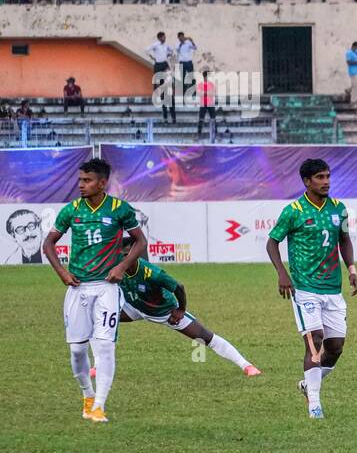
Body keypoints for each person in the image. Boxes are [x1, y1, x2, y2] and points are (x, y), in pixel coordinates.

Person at [41, 157, 146, 424]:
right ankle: (87, 396)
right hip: (78, 288)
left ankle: (99, 406)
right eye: (80, 180)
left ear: (103, 182)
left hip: (107, 287)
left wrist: (122, 267)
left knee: (104, 345)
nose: (81, 185)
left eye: (87, 181)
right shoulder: (71, 210)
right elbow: (49, 244)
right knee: (77, 350)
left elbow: (140, 242)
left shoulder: (120, 209)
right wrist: (62, 272)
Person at [265, 159, 357, 419]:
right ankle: (315, 406)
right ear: (307, 181)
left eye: (328, 176)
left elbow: (344, 239)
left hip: (333, 289)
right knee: (314, 340)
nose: (326, 181)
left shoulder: (339, 209)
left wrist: (351, 269)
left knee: (336, 347)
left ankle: (309, 385)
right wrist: (282, 273)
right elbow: (272, 242)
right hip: (304, 287)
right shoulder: (293, 211)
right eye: (320, 177)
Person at [118, 255, 259, 375]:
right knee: (102, 321)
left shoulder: (153, 273)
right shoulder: (114, 265)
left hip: (166, 312)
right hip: (135, 308)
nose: (120, 257)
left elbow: (179, 287)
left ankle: (246, 366)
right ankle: (98, 367)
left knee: (205, 337)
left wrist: (181, 310)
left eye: (125, 254)